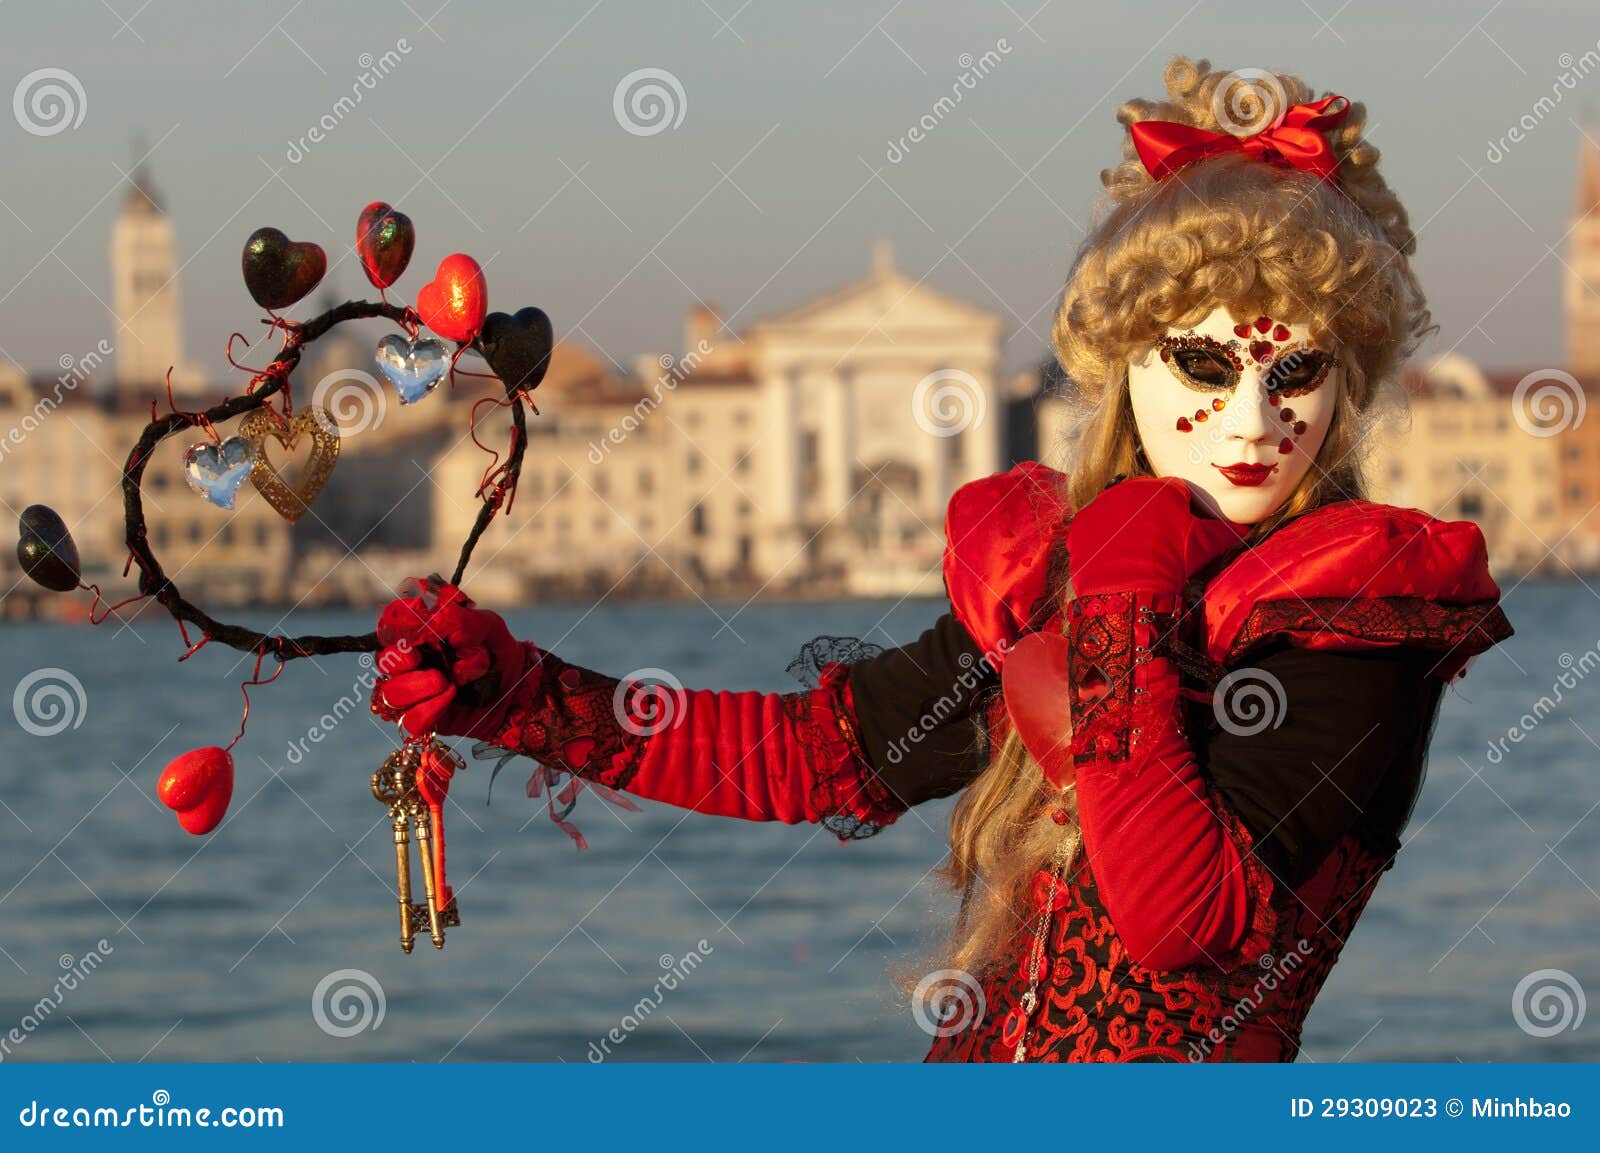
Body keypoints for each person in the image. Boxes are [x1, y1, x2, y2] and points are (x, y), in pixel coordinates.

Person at [370, 56, 1514, 1062]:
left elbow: (1178, 917)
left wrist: (1121, 588)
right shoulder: (1041, 581)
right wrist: (519, 695)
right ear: (1128, 371)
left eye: (1295, 373)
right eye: (1206, 368)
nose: (1252, 418)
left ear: (1342, 386)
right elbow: (814, 758)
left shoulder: (1354, 618)